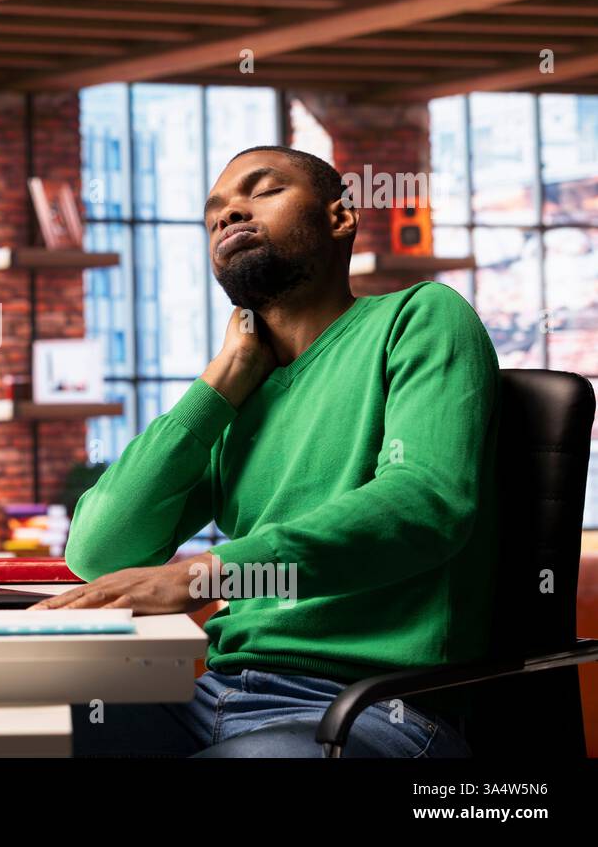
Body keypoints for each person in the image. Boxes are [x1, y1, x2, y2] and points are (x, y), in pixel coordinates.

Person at [30, 146, 499, 757]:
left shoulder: (420, 316)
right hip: (214, 694)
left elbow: (423, 503)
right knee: (7, 732)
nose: (229, 216)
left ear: (339, 218)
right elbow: (101, 549)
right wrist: (219, 384)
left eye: (263, 191)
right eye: (214, 214)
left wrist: (208, 574)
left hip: (375, 708)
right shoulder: (239, 393)